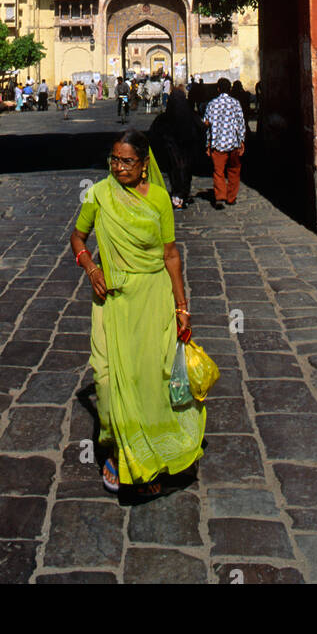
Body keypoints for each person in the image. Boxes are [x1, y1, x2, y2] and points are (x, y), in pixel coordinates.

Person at [70, 129, 205, 497]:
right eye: (114, 159)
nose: (119, 167)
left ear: (145, 165)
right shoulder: (99, 195)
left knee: (151, 380)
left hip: (153, 297)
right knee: (107, 377)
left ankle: (152, 458)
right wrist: (92, 269)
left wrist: (181, 306)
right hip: (112, 300)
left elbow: (171, 255)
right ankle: (119, 450)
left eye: (127, 161)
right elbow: (77, 239)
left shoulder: (160, 200)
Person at [149, 85, 205, 209]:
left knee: (174, 173)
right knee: (186, 173)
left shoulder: (164, 118)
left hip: (171, 152)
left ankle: (177, 196)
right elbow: (201, 129)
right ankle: (184, 194)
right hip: (188, 151)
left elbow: (154, 134)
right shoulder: (191, 115)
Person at [203, 77, 246, 208]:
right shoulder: (235, 103)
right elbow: (241, 124)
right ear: (230, 89)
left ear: (218, 89)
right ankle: (231, 197)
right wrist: (242, 141)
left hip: (217, 143)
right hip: (233, 142)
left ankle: (220, 197)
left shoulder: (211, 104)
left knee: (218, 171)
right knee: (234, 170)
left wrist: (208, 144)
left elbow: (206, 124)